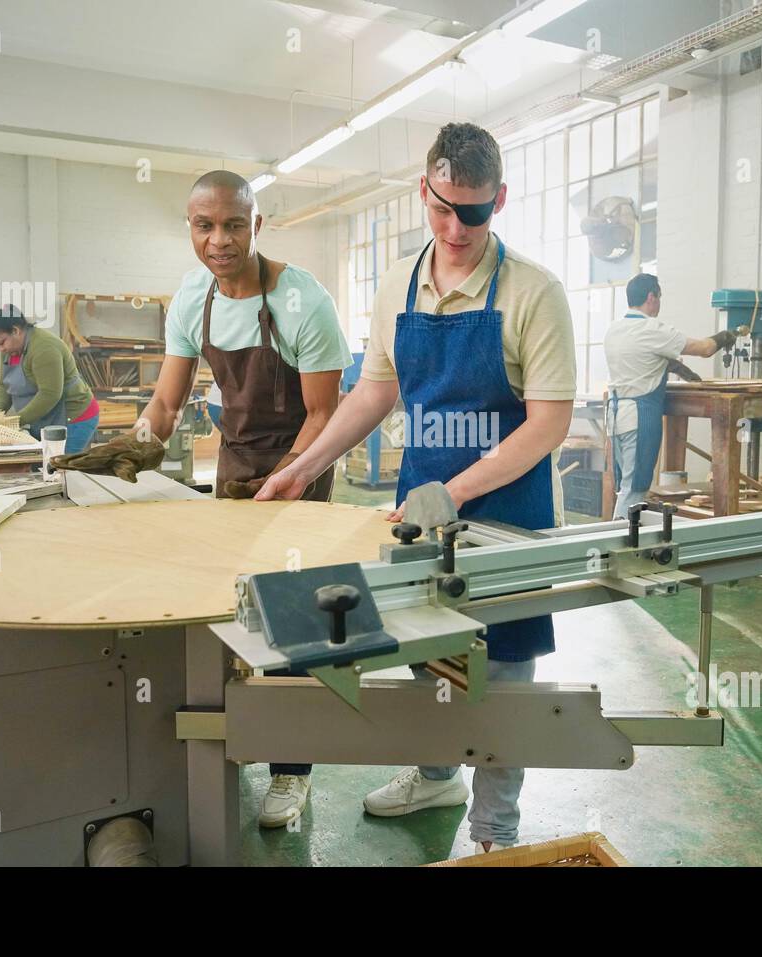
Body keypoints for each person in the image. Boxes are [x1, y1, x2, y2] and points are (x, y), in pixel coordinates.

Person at [258, 122, 576, 855]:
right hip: (419, 507)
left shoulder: (533, 291)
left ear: (501, 200)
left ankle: (497, 832)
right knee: (428, 650)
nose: (456, 228)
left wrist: (458, 491)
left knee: (500, 680)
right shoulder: (400, 283)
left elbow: (549, 424)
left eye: (475, 212)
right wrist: (302, 466)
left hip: (505, 512)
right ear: (422, 192)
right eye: (442, 209)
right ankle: (437, 772)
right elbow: (374, 393)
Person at [56, 170, 351, 829]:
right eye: (203, 225)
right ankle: (238, 734)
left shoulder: (304, 300)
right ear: (189, 227)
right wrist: (128, 452)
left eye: (233, 224)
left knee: (294, 617)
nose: (219, 240)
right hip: (238, 460)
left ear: (256, 225)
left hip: (304, 461)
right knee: (228, 605)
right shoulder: (195, 298)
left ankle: (291, 771)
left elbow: (324, 411)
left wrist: (286, 484)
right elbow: (165, 401)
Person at [603, 273, 735, 519]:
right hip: (639, 418)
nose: (660, 303)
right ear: (651, 297)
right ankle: (617, 545)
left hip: (616, 416)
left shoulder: (614, 329)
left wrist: (675, 367)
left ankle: (623, 538)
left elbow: (642, 360)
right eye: (660, 297)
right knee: (635, 489)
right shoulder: (652, 329)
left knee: (625, 487)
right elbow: (705, 349)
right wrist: (724, 337)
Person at [0, 305, 100, 452]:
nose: (0, 349)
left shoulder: (44, 348)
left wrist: (14, 421)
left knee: (58, 468)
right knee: (40, 466)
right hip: (44, 418)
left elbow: (50, 394)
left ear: (16, 331)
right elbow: (4, 385)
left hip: (73, 418)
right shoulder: (10, 349)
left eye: (1, 342)